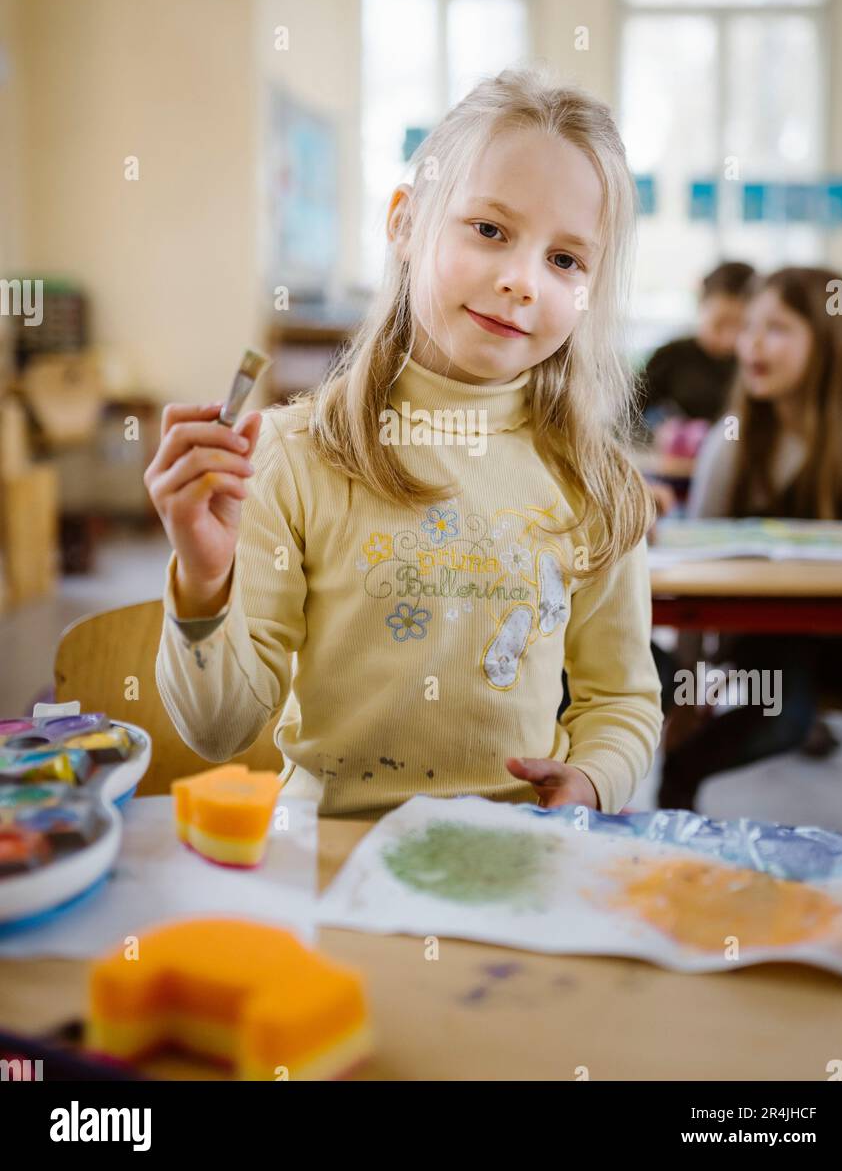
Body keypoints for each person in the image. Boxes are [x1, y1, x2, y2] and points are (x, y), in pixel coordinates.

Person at [146, 66, 662, 819]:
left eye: (565, 260)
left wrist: (591, 781)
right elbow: (220, 731)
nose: (522, 280)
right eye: (489, 230)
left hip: (514, 860)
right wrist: (202, 577)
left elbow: (621, 699)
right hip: (331, 859)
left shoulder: (597, 480)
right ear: (405, 224)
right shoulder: (294, 456)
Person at [659, 266, 842, 811]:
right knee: (783, 712)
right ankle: (678, 788)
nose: (750, 342)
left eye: (775, 327)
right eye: (748, 325)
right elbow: (693, 577)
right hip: (772, 641)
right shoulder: (732, 446)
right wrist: (689, 688)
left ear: (830, 342)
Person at [638, 261, 755, 432]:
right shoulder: (671, 357)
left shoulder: (754, 363)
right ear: (701, 305)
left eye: (742, 326)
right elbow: (628, 420)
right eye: (719, 324)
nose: (729, 339)